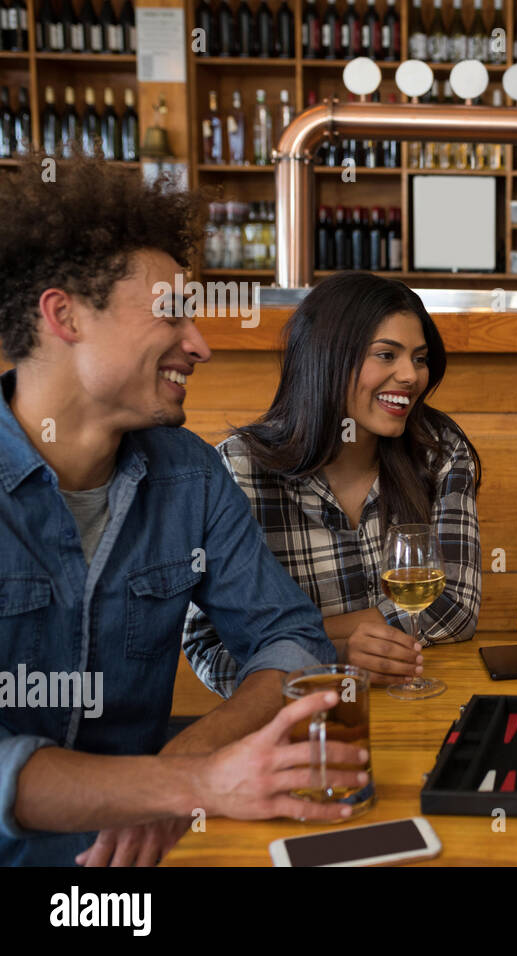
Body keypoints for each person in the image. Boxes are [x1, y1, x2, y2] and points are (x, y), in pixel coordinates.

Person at [0, 156, 364, 867]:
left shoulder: (189, 474)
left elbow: (292, 640)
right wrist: (183, 782)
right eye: (172, 313)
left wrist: (175, 776)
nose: (199, 343)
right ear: (63, 314)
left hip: (149, 857)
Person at [182, 272, 482, 696]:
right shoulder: (237, 469)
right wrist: (335, 654)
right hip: (294, 723)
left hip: (419, 701)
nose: (411, 375)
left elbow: (454, 608)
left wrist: (292, 642)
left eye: (418, 357)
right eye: (386, 354)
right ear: (327, 358)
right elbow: (212, 648)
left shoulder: (439, 450)